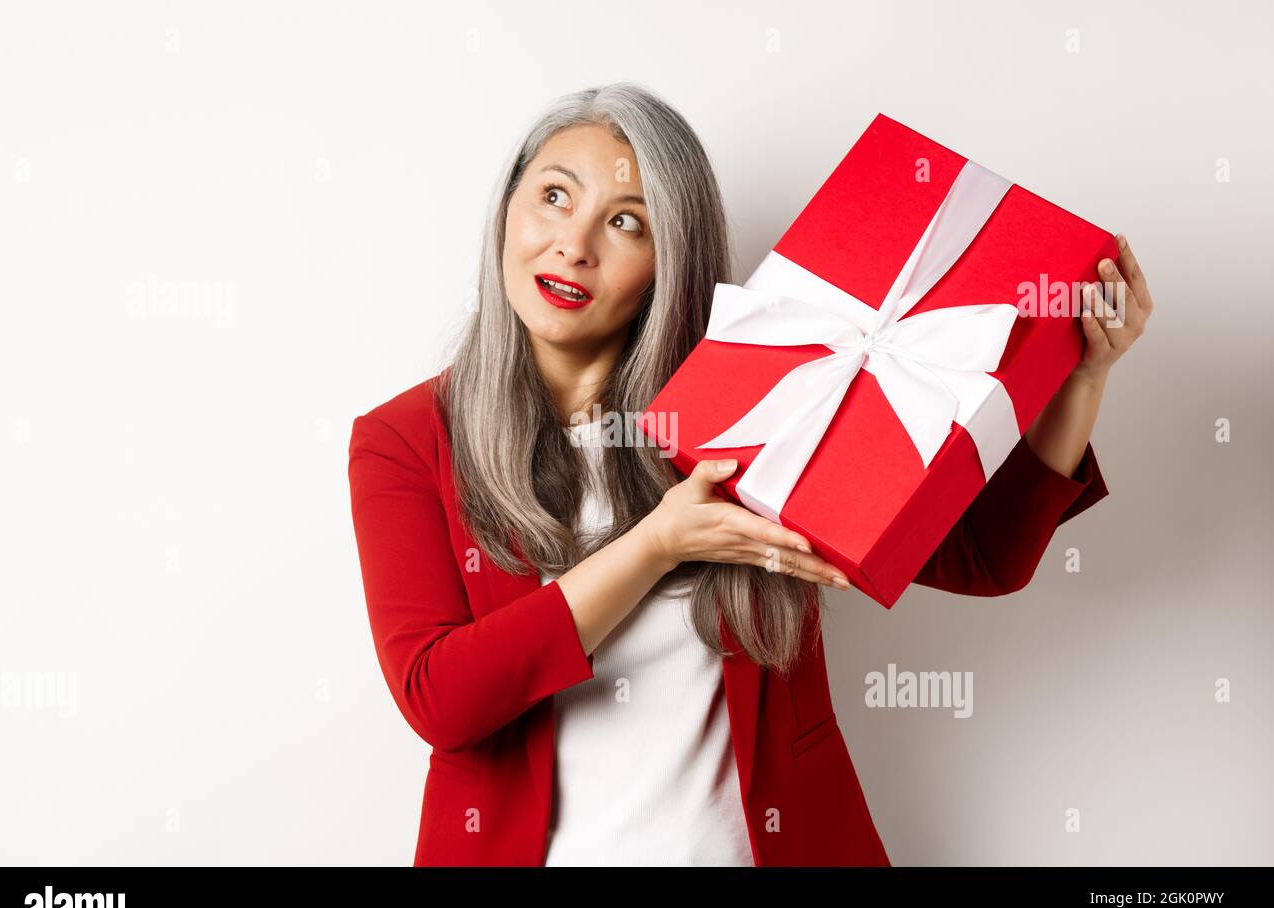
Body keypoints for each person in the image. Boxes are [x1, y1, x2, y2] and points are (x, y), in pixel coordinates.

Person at [347, 83, 1151, 866]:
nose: (574, 244)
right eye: (555, 196)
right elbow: (441, 699)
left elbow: (986, 561)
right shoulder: (407, 440)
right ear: (507, 210)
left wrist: (1081, 375)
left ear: (669, 260)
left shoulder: (754, 403)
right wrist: (654, 547)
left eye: (626, 221)